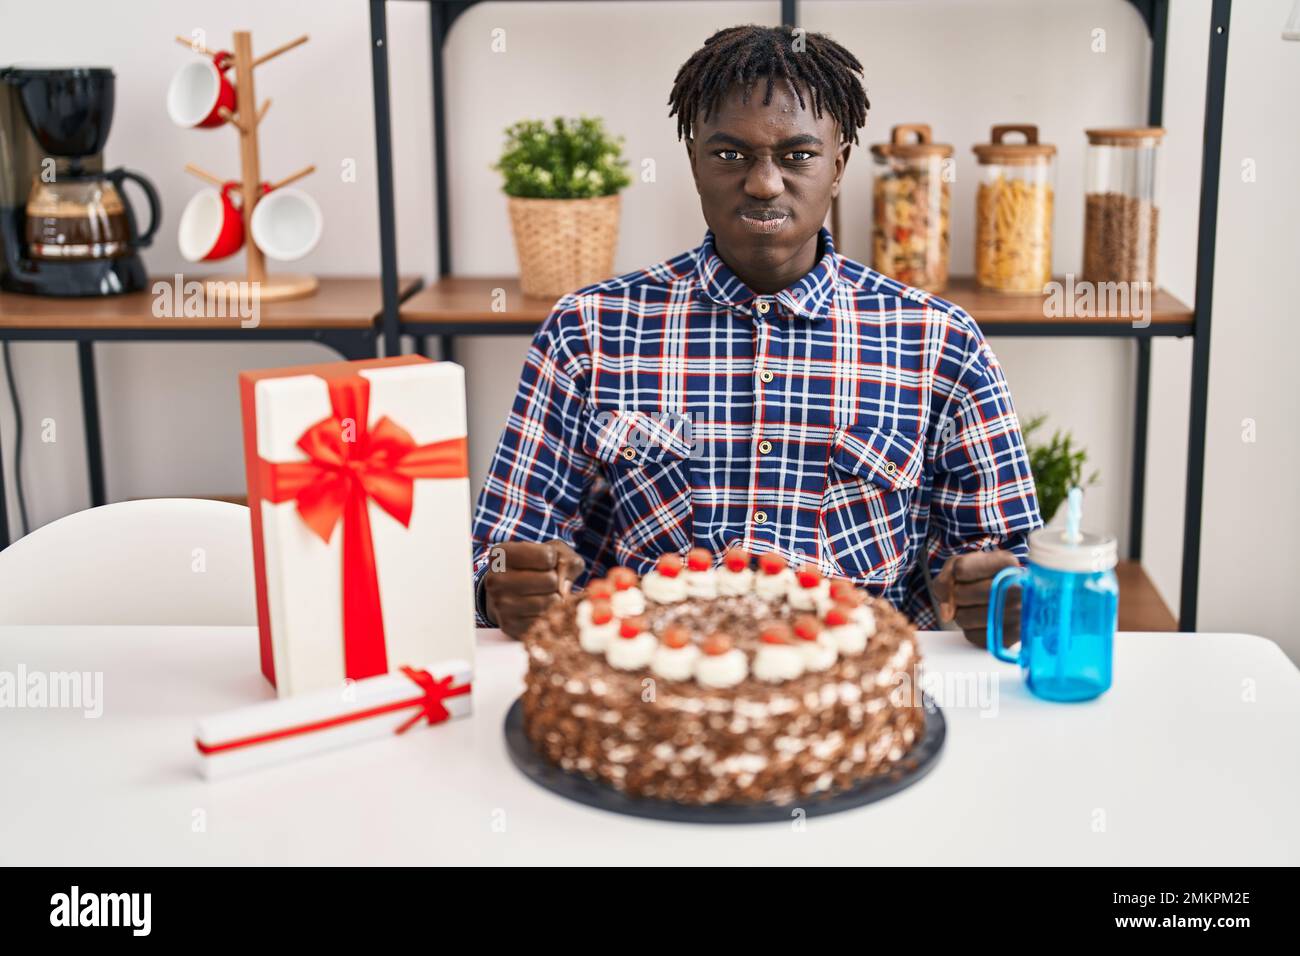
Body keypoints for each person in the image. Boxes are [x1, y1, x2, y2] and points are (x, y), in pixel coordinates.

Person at [471, 24, 1041, 649]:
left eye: (797, 155)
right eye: (730, 154)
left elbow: (1003, 561)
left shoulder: (940, 343)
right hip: (651, 695)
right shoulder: (589, 329)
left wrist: (1002, 592)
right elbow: (502, 547)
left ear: (839, 165)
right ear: (693, 162)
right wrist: (506, 583)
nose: (764, 183)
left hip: (857, 697)